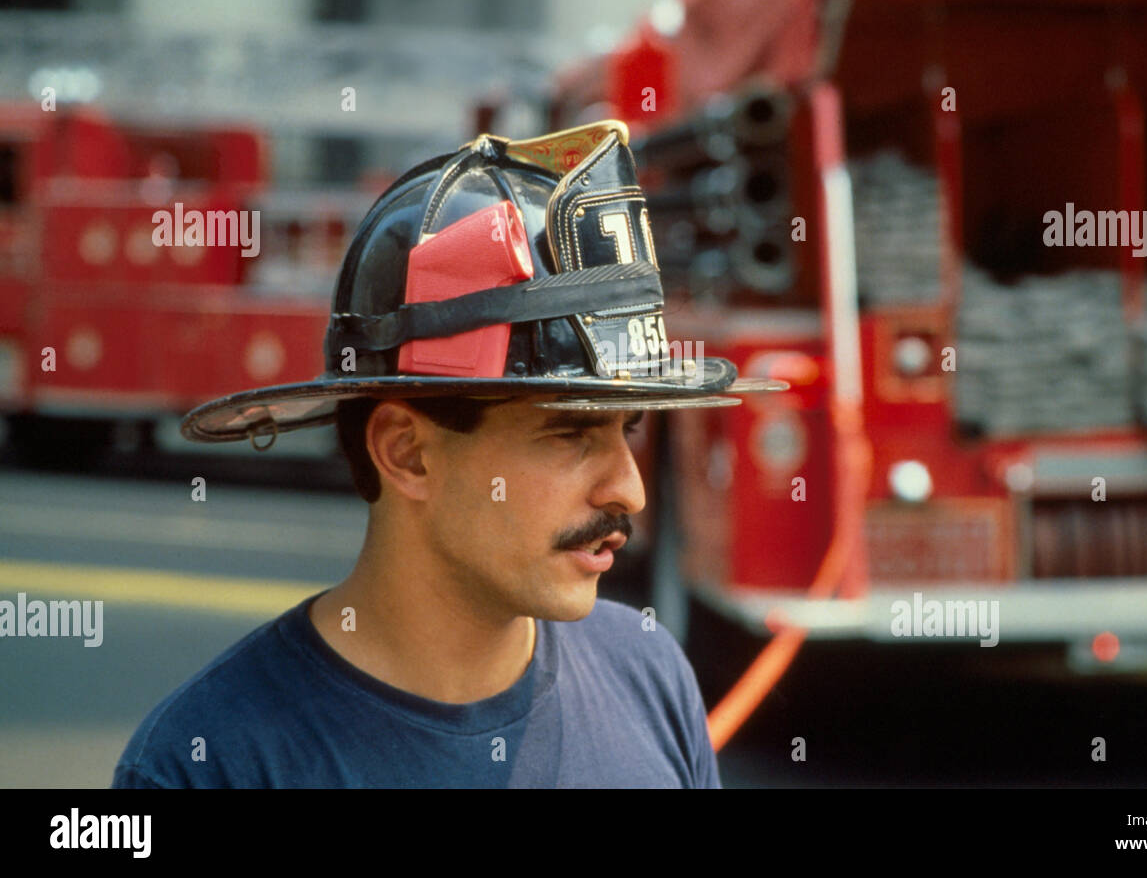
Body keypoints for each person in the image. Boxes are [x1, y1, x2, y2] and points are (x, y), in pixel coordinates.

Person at [111, 120, 783, 788]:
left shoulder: (649, 673)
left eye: (627, 430)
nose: (629, 491)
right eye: (570, 434)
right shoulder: (209, 765)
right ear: (407, 452)